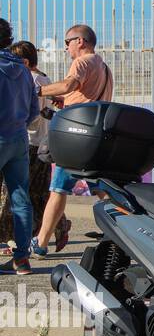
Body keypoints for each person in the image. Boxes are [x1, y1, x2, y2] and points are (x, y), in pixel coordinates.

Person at [31, 25, 113, 258]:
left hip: (75, 138)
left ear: (81, 41)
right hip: (94, 136)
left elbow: (69, 85)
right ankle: (124, 233)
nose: (65, 46)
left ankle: (40, 243)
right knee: (101, 190)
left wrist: (37, 91)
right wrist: (64, 101)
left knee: (58, 189)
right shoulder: (104, 68)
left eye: (67, 42)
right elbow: (82, 96)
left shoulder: (82, 62)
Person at [0, 42, 64, 259]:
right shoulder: (34, 75)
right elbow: (37, 111)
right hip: (29, 141)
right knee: (28, 196)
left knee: (17, 195)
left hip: (18, 139)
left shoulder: (21, 75)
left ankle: (13, 241)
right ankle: (23, 256)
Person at [0, 20, 40, 276]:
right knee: (20, 199)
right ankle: (22, 260)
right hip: (18, 139)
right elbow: (33, 112)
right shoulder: (24, 70)